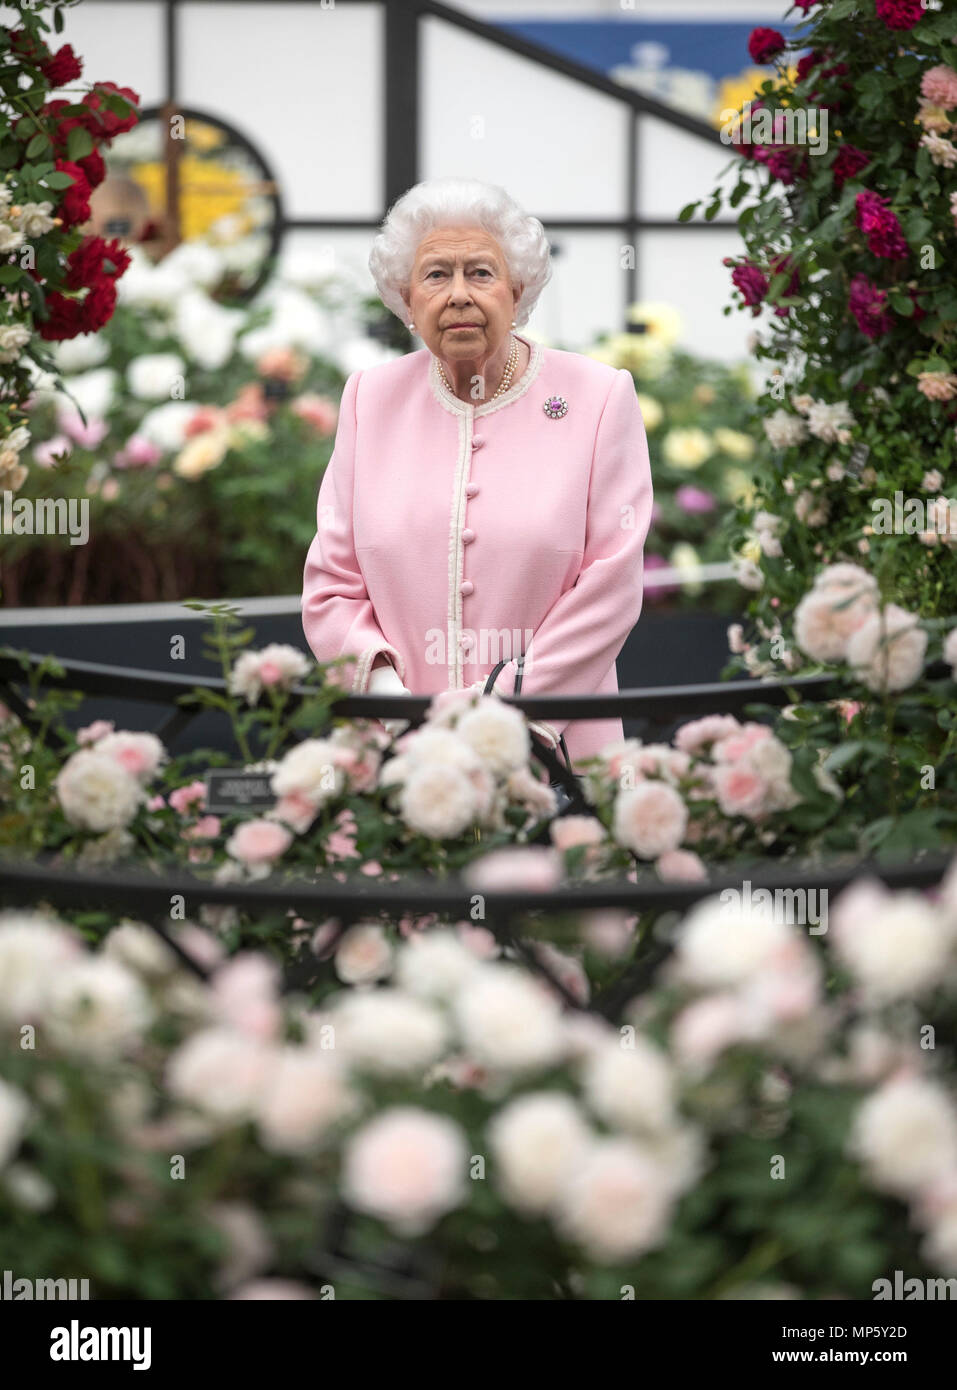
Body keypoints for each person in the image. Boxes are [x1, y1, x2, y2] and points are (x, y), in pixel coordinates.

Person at [301, 177, 653, 773]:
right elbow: (332, 584)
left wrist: (501, 713)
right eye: (436, 275)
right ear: (406, 301)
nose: (458, 295)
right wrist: (401, 713)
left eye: (481, 273)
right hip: (398, 756)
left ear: (518, 291)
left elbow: (611, 583)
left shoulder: (597, 397)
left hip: (555, 751)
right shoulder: (369, 398)